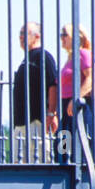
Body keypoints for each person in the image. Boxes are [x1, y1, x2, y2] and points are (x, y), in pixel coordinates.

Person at [11, 23, 58, 163]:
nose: (20, 37)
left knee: (40, 163)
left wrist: (51, 113)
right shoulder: (27, 58)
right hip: (21, 122)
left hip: (36, 121)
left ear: (37, 35)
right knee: (20, 167)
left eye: (24, 33)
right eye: (20, 33)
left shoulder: (43, 56)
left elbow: (53, 85)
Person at [57, 24, 95, 165]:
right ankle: (63, 170)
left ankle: (80, 176)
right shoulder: (70, 58)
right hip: (65, 108)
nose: (61, 38)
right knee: (63, 144)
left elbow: (91, 78)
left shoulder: (83, 54)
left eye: (64, 34)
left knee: (79, 145)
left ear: (76, 37)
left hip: (79, 108)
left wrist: (76, 99)